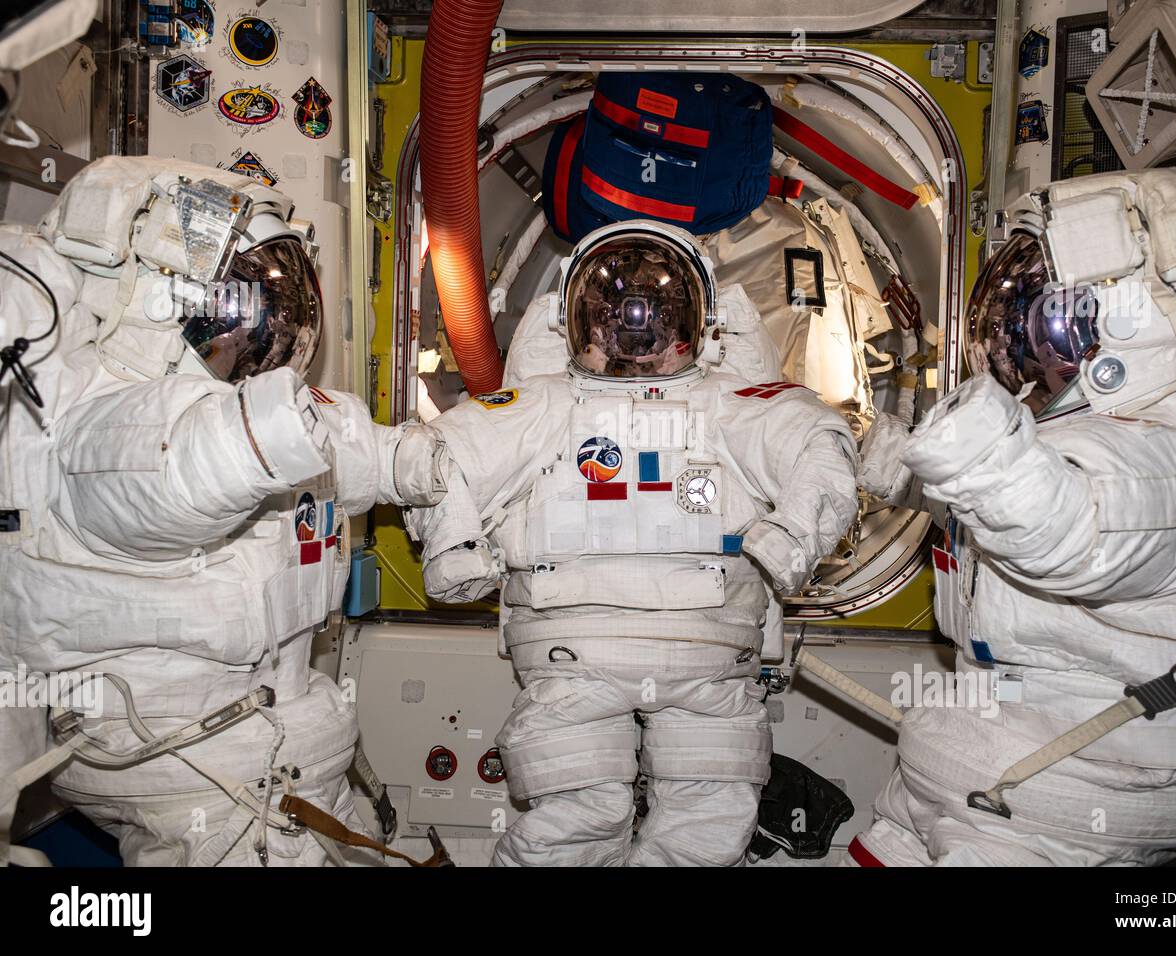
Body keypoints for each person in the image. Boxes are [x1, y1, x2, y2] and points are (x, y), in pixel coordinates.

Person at [0, 156, 443, 866]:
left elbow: (369, 450)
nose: (263, 338)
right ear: (160, 307)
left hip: (280, 735)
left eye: (279, 310)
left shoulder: (278, 413)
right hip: (191, 761)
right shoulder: (105, 419)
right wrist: (261, 432)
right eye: (242, 314)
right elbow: (172, 471)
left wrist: (428, 467)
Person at [855, 169, 1176, 866]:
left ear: (1131, 326)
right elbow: (1000, 519)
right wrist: (894, 466)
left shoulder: (1164, 455)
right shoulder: (1072, 446)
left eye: (1048, 327)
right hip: (983, 764)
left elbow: (1070, 530)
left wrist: (976, 450)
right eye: (1018, 323)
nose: (1021, 349)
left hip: (1055, 797)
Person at [403, 220, 859, 866]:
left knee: (625, 821)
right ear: (578, 324)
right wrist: (455, 550)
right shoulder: (545, 404)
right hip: (637, 653)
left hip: (624, 651)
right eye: (617, 312)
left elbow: (823, 447)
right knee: (675, 823)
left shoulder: (735, 403)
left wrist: (790, 540)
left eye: (655, 312)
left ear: (698, 323)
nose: (637, 330)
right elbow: (434, 458)